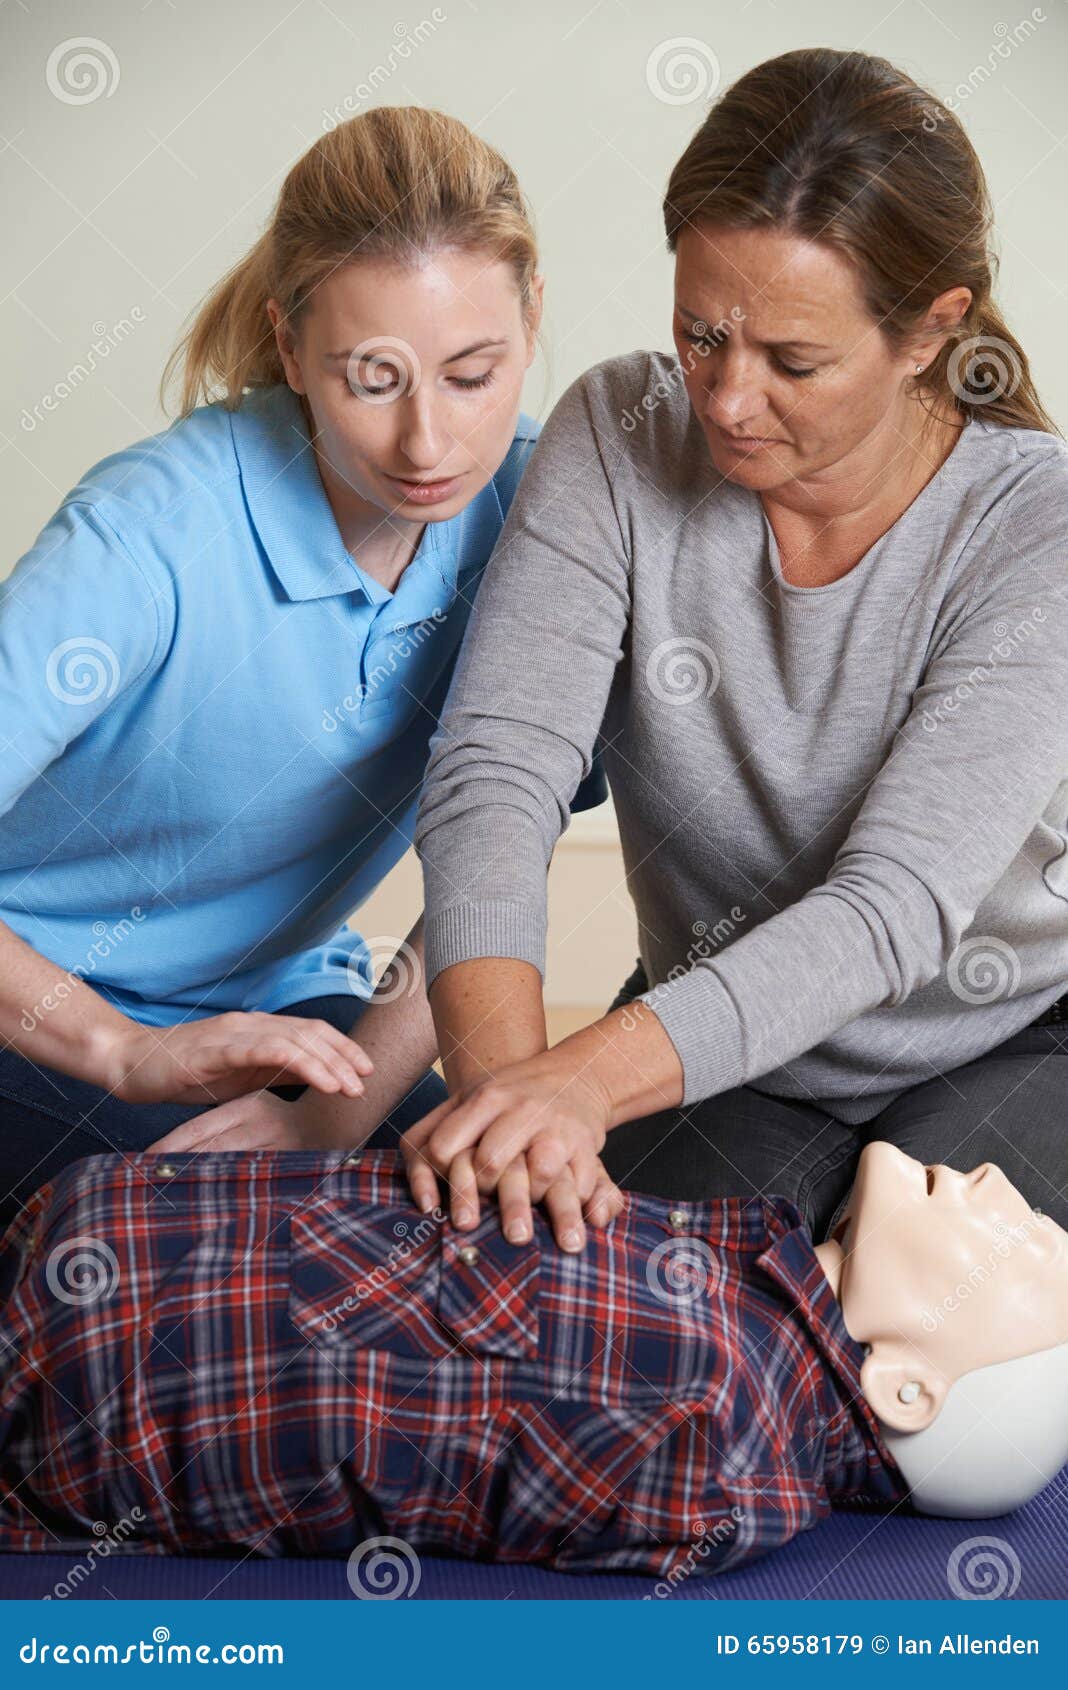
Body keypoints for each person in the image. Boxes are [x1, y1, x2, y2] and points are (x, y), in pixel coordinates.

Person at [403, 47, 1068, 1250]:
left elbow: (891, 907)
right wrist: (513, 1108)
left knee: (890, 1343)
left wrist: (587, 1079)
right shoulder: (618, 431)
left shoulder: (1039, 526)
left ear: (930, 331)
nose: (725, 398)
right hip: (722, 1026)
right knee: (586, 1291)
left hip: (1013, 1032)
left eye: (792, 362)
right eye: (701, 334)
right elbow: (495, 776)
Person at [0, 106, 606, 1239]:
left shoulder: (546, 515)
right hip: (36, 1004)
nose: (428, 444)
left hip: (280, 1001)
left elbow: (495, 862)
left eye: (473, 374)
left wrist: (346, 1107)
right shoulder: (147, 534)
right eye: (371, 381)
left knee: (469, 1233)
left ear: (529, 324)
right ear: (290, 350)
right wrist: (121, 1050)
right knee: (175, 1263)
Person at [0, 1140, 1062, 1576]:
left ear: (906, 1386)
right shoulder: (747, 1282)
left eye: (1022, 1253)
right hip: (82, 1250)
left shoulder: (709, 1414)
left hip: (58, 1349)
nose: (994, 1184)